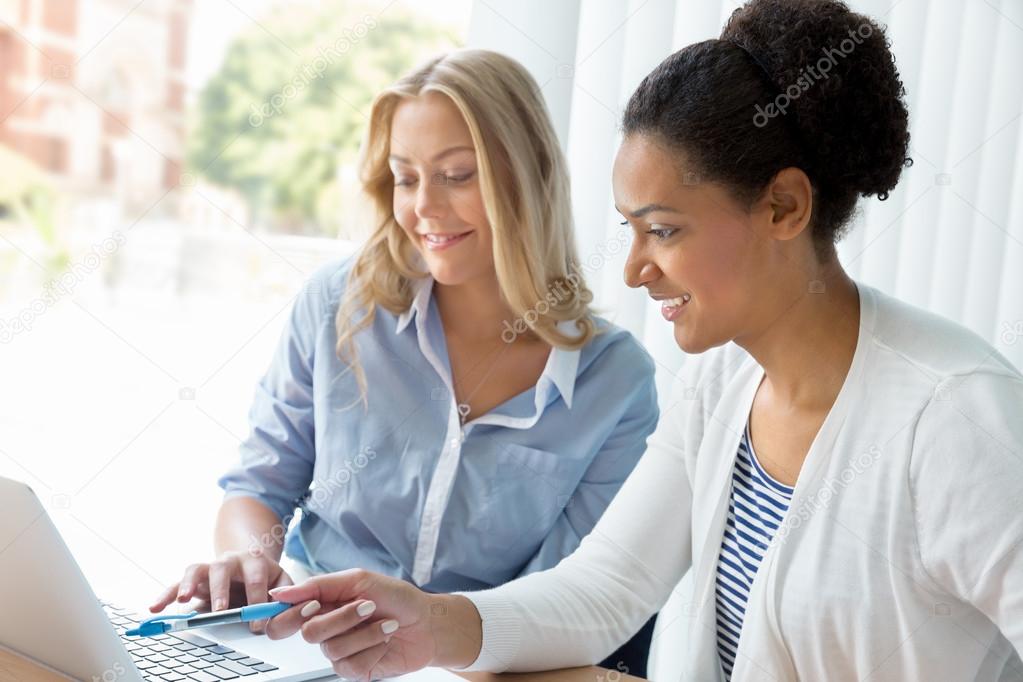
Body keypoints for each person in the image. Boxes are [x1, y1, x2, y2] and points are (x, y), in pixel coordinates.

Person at [259, 1, 1023, 680]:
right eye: (629, 231)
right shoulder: (721, 384)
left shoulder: (953, 417)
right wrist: (426, 626)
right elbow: (606, 589)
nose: (631, 270)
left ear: (783, 206)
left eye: (662, 230)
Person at [149, 49, 660, 675]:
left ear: (528, 176)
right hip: (311, 650)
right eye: (405, 176)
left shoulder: (617, 384)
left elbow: (561, 605)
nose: (423, 208)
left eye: (456, 175)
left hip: (478, 669)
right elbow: (259, 485)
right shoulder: (340, 305)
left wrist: (426, 638)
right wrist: (249, 560)